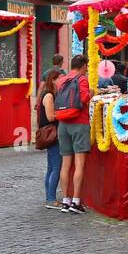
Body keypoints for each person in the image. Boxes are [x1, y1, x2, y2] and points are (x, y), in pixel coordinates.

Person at [55, 54, 92, 214]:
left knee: (65, 164)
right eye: (86, 66)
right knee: (79, 164)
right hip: (79, 123)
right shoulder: (82, 79)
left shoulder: (62, 79)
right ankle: (76, 201)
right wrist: (91, 92)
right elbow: (83, 98)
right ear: (83, 65)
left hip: (63, 124)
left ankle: (65, 200)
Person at [38, 68, 64, 209]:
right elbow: (50, 117)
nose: (62, 80)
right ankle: (51, 199)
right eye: (60, 78)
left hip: (51, 134)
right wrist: (64, 113)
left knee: (51, 167)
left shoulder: (51, 94)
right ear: (53, 79)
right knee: (55, 167)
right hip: (52, 134)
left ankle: (49, 196)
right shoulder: (48, 96)